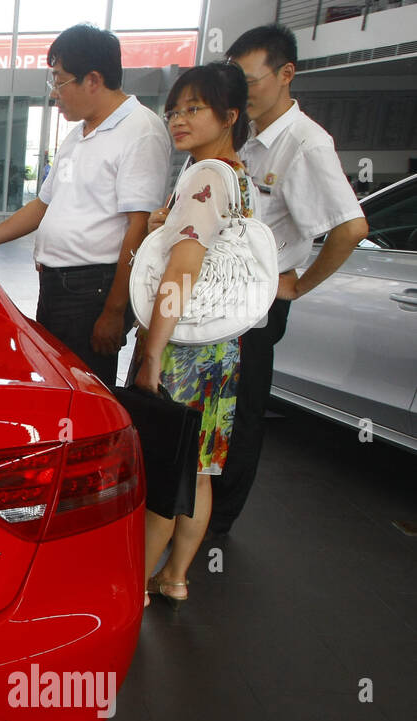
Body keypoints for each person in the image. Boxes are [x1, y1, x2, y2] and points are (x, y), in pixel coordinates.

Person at [208, 25, 368, 536]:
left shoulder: (305, 143)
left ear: (286, 74)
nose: (242, 91)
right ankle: (198, 512)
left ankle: (218, 523)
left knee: (241, 412)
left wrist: (296, 285)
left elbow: (351, 228)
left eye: (251, 80)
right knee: (215, 405)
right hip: (223, 297)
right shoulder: (252, 137)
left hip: (258, 302)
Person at [0, 24, 171, 387]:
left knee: (83, 387)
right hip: (57, 286)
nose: (54, 94)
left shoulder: (141, 131)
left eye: (59, 81)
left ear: (93, 79)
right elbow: (43, 205)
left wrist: (114, 311)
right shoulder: (79, 134)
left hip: (94, 291)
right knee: (55, 381)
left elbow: (138, 228)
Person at [134, 62, 258, 609]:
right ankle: (176, 577)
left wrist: (152, 352)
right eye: (173, 110)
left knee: (166, 470)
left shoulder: (203, 176)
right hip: (222, 347)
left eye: (194, 108)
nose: (178, 120)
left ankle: (135, 582)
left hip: (183, 347)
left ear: (229, 116)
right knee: (200, 468)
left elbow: (181, 269)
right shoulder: (239, 176)